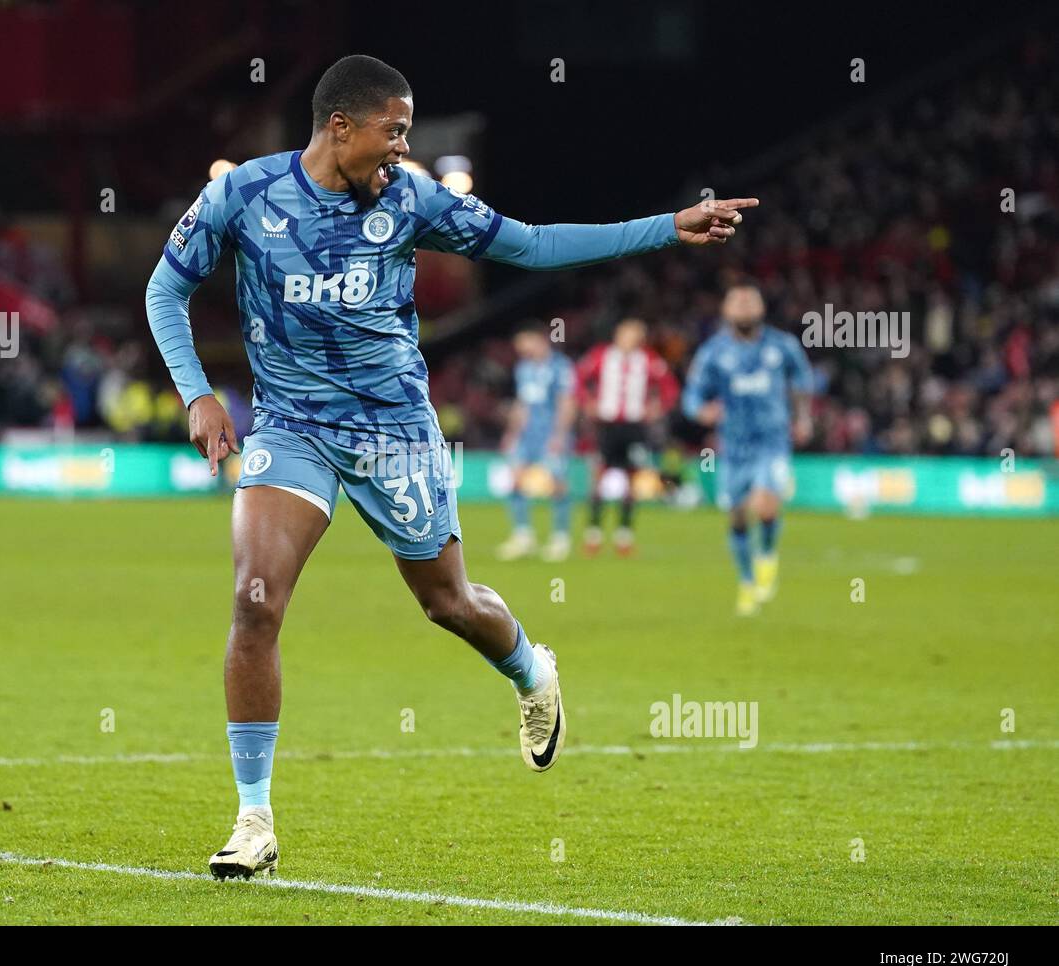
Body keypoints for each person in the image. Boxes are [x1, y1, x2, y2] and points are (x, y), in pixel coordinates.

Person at [145, 53, 757, 879]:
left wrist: (663, 226)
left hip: (395, 431)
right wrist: (198, 395)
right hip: (290, 427)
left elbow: (532, 247)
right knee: (255, 601)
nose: (402, 148)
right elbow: (164, 290)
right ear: (339, 127)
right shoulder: (244, 195)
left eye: (406, 133)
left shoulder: (412, 200)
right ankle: (253, 820)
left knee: (447, 602)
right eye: (392, 131)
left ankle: (531, 669)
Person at [681, 284, 812, 616]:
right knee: (738, 517)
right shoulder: (713, 352)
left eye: (749, 300)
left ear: (761, 307)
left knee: (766, 505)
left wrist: (803, 417)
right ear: (725, 310)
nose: (743, 305)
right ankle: (747, 581)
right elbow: (692, 395)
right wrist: (701, 411)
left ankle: (766, 553)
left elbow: (802, 381)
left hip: (772, 440)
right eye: (736, 301)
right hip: (734, 446)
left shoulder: (782, 346)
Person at [575, 317, 678, 556]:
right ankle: (594, 534)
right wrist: (587, 402)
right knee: (599, 480)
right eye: (628, 333)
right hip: (607, 427)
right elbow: (578, 379)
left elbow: (670, 387)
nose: (632, 338)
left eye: (637, 334)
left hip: (634, 427)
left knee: (631, 483)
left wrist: (658, 407)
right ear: (618, 334)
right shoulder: (601, 356)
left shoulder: (649, 360)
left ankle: (624, 536)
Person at [495, 323, 576, 562]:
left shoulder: (560, 367)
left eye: (524, 344)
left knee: (557, 484)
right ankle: (523, 536)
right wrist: (511, 433)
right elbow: (521, 404)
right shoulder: (523, 368)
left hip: (550, 432)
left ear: (539, 340)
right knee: (515, 480)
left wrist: (559, 435)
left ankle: (561, 538)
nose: (521, 350)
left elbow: (567, 403)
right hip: (526, 434)